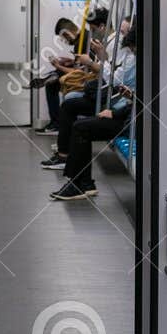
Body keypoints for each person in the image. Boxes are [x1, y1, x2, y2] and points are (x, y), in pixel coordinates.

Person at [50, 23, 138, 202]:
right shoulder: (139, 61)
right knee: (80, 125)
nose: (133, 54)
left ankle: (80, 184)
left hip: (131, 120)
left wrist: (115, 113)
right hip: (127, 113)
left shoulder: (140, 64)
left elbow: (117, 80)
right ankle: (81, 183)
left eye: (134, 50)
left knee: (81, 127)